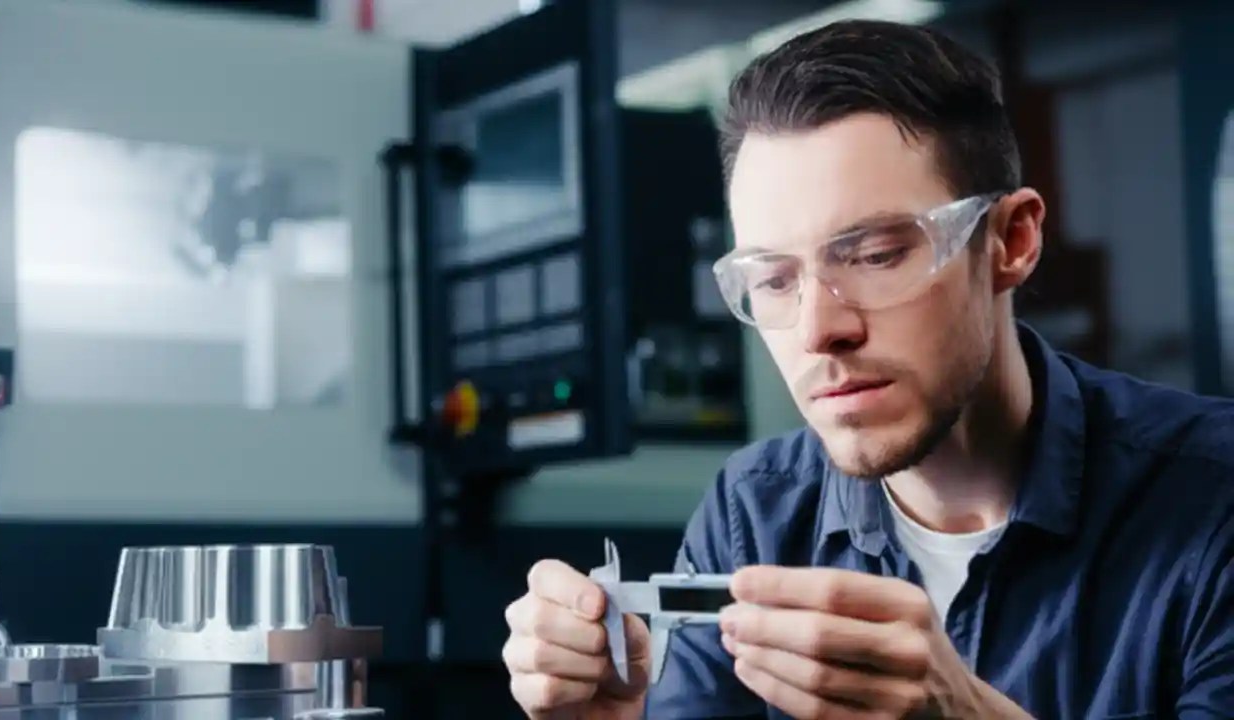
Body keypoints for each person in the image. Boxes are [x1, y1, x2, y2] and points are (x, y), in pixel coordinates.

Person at [502, 18, 1234, 720]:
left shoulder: (1213, 500)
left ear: (1011, 241)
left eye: (876, 256)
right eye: (774, 279)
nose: (819, 330)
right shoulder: (753, 517)